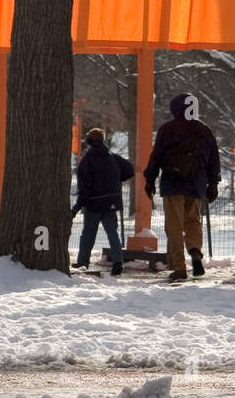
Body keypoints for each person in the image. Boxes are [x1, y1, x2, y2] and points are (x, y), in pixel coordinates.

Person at [143, 93, 220, 283]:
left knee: (174, 226)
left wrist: (150, 179)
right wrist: (213, 184)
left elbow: (156, 157)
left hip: (173, 184)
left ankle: (179, 267)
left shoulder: (167, 130)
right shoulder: (205, 130)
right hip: (196, 184)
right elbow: (213, 160)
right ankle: (195, 252)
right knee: (193, 221)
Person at [71, 128, 133, 276]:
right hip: (111, 202)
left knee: (88, 235)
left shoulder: (86, 161)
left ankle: (83, 262)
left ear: (89, 141)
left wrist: (76, 208)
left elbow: (84, 189)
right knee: (113, 233)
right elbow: (129, 169)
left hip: (93, 204)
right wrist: (117, 179)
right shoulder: (113, 157)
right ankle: (118, 262)